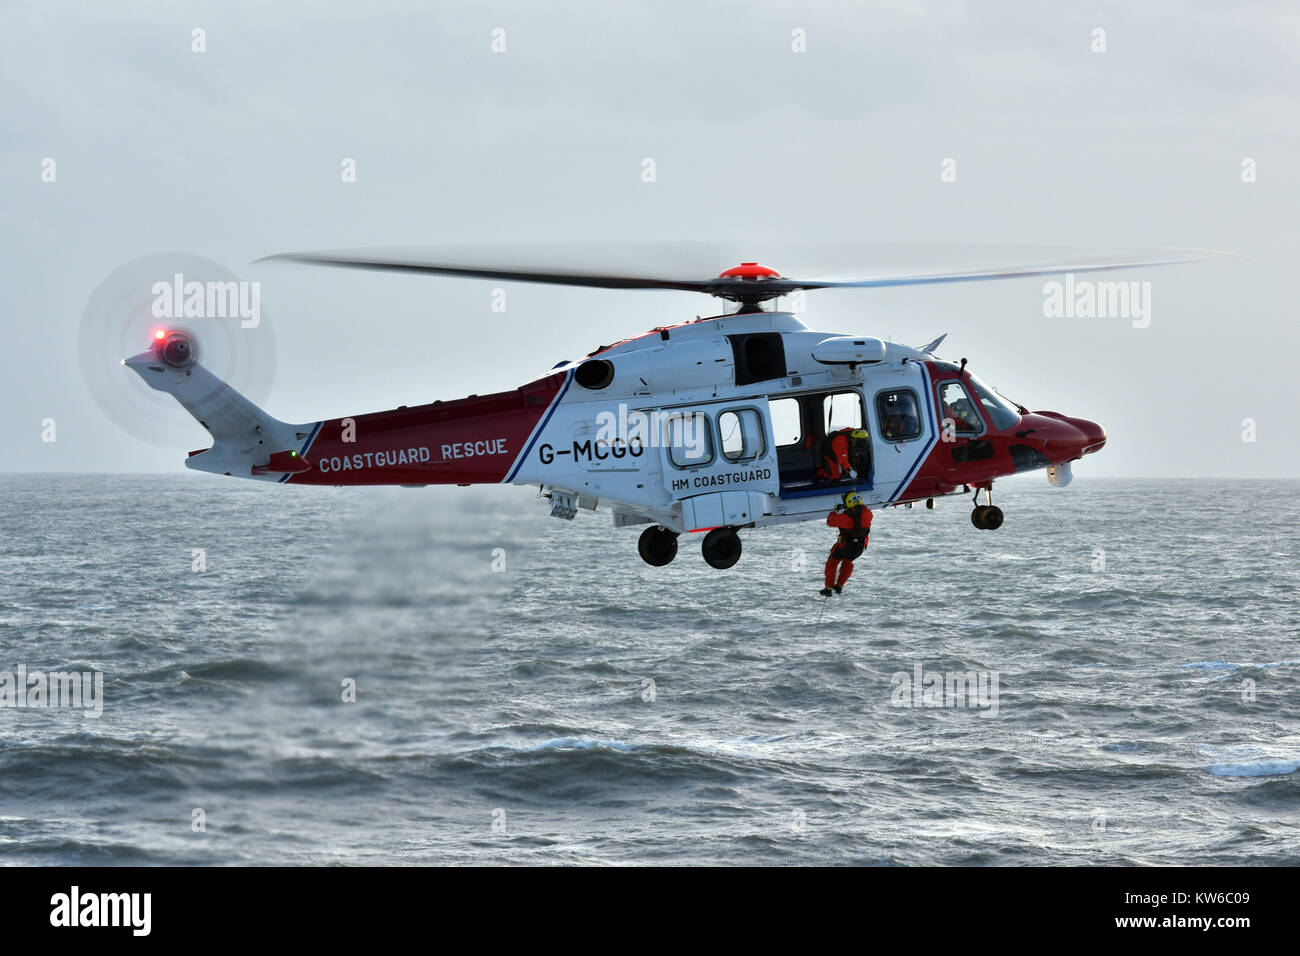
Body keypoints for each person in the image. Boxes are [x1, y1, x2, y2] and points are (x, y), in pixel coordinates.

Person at [821, 491, 873, 596]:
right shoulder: (868, 514)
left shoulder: (846, 517)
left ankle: (828, 588)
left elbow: (830, 521)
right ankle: (839, 586)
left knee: (832, 563)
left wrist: (835, 510)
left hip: (845, 546)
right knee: (848, 563)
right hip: (859, 548)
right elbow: (864, 509)